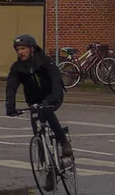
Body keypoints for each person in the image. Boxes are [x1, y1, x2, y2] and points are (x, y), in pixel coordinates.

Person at [5, 34, 73, 174]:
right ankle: (46, 166)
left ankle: (64, 143)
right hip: (34, 100)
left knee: (47, 112)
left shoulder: (45, 62)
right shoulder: (17, 67)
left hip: (52, 97)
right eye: (17, 49)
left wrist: (53, 97)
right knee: (37, 128)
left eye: (23, 49)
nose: (20, 52)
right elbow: (11, 87)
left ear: (32, 49)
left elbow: (56, 80)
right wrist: (10, 106)